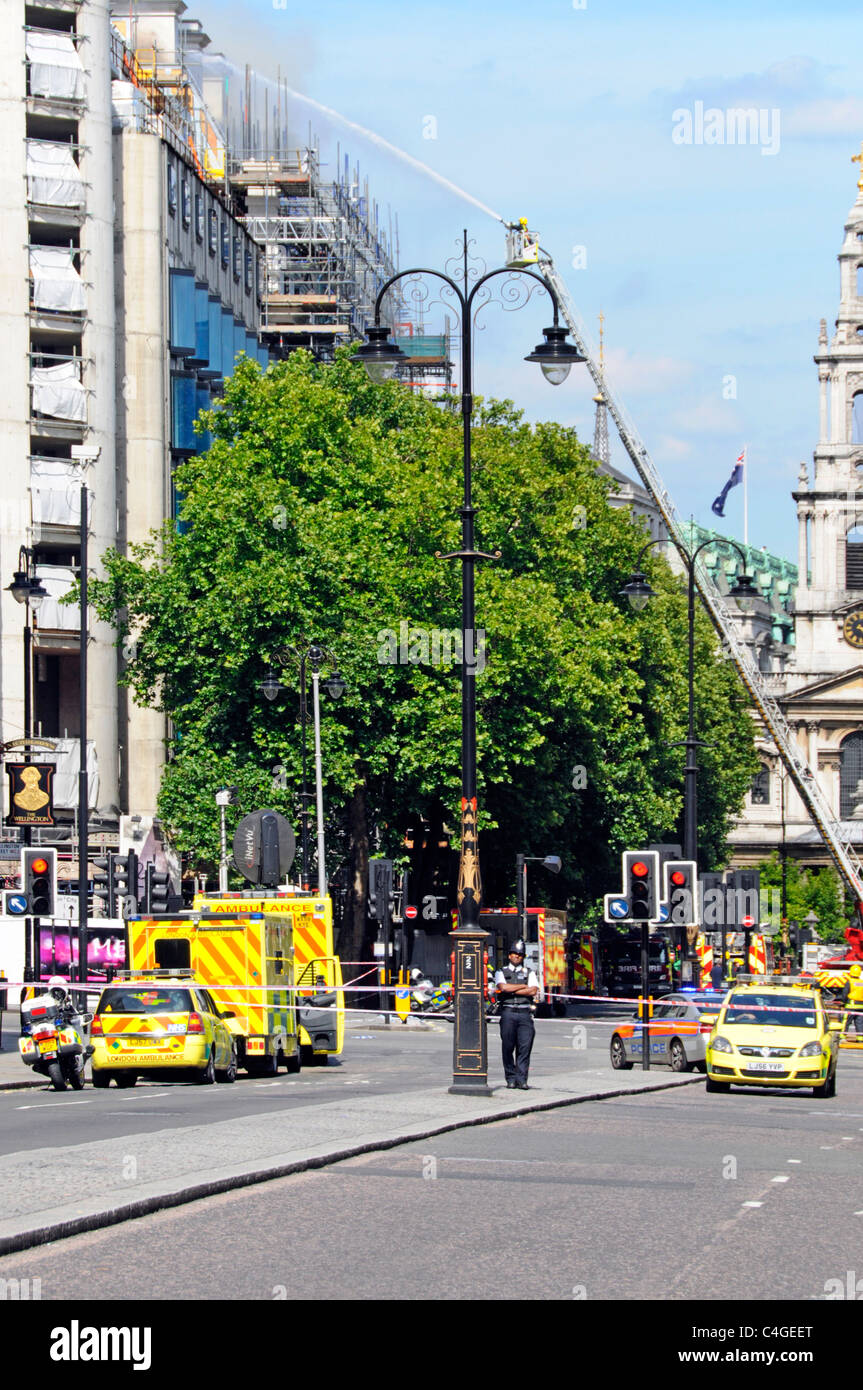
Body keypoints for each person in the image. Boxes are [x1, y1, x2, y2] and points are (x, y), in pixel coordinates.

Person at [494, 938, 538, 1090]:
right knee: (508, 1046)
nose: (517, 956)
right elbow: (503, 987)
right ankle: (510, 1078)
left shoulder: (529, 972)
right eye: (514, 953)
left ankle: (522, 1079)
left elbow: (533, 990)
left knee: (524, 1047)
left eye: (520, 954)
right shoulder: (501, 971)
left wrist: (512, 988)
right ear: (509, 955)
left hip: (525, 1012)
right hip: (508, 1012)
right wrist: (521, 986)